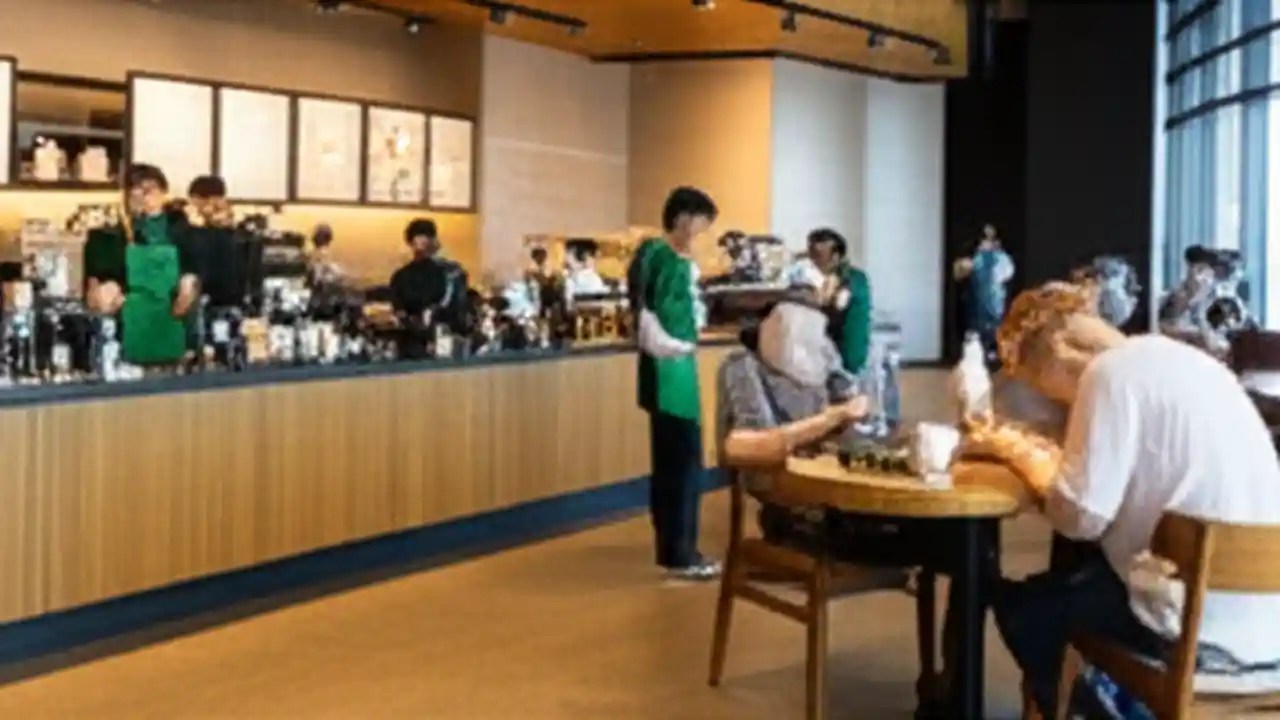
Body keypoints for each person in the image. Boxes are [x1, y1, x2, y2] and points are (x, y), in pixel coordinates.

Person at [967, 282, 1280, 715]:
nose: (1049, 399)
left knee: (1030, 610)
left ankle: (1096, 708)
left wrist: (1022, 456)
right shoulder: (1187, 361)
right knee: (1078, 585)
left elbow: (1081, 517)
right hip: (1268, 636)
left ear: (1056, 352)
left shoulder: (1109, 375)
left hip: (1196, 639)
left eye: (1037, 381)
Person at [627, 186, 719, 580]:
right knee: (682, 466)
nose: (700, 235)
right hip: (672, 371)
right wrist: (685, 339)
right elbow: (667, 316)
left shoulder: (651, 255)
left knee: (670, 466)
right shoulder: (668, 259)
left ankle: (672, 548)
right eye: (700, 226)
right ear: (683, 218)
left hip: (662, 371)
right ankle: (681, 553)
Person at [83, 163, 201, 366]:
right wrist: (106, 293)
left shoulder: (183, 231)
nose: (145, 196)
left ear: (163, 192)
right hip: (132, 319)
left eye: (150, 189)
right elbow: (97, 284)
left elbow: (195, 269)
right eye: (137, 189)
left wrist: (190, 285)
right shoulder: (111, 236)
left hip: (173, 315)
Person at [389, 218, 469, 346]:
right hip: (412, 338)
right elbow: (398, 309)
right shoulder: (401, 276)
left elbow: (457, 307)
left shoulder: (450, 272)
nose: (422, 241)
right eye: (418, 237)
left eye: (425, 237)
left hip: (445, 335)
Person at [807, 229, 871, 375]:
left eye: (818, 255)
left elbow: (837, 303)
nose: (813, 261)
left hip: (846, 357)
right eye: (810, 254)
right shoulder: (846, 275)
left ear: (835, 257)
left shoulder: (851, 279)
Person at [954, 223, 1015, 363]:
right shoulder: (976, 258)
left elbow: (1005, 275)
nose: (987, 243)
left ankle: (992, 351)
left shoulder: (1001, 259)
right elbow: (959, 272)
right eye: (984, 239)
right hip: (977, 308)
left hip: (994, 307)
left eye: (990, 239)